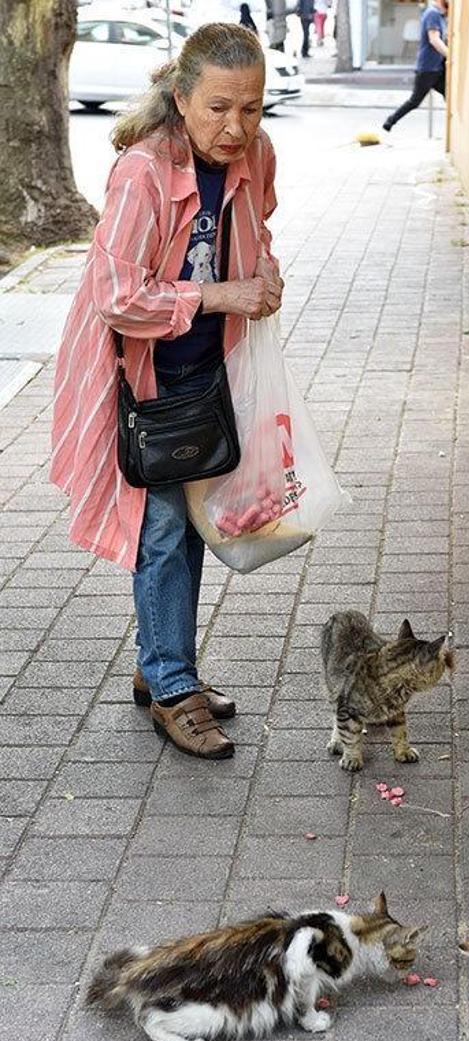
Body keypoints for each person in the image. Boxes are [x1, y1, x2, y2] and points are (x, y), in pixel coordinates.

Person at [50, 24, 283, 761]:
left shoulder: (257, 153)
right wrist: (221, 295)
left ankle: (162, 670)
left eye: (250, 108)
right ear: (181, 98)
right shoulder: (144, 173)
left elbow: (259, 226)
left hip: (211, 372)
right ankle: (174, 689)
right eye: (217, 107)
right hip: (144, 381)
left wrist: (265, 278)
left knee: (190, 525)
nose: (235, 127)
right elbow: (117, 295)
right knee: (160, 534)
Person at [383, 0, 449, 132]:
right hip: (428, 68)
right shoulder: (433, 14)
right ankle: (390, 121)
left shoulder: (440, 15)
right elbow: (434, 39)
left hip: (437, 68)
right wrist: (451, 55)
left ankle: (456, 128)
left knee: (451, 95)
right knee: (415, 101)